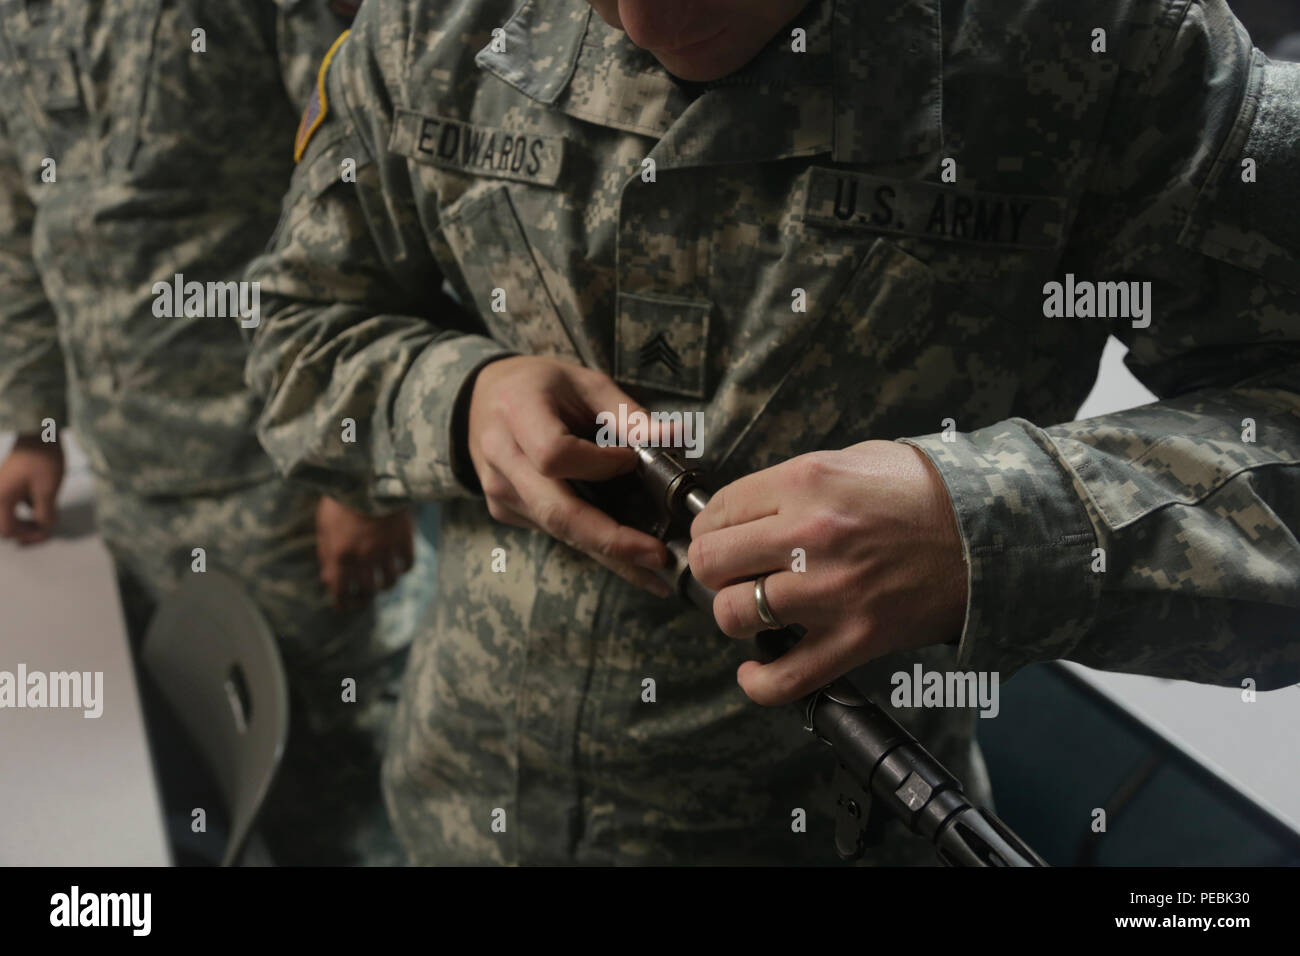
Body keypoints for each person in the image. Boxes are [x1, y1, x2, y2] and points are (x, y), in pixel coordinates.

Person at [245, 0, 1300, 865]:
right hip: (466, 809)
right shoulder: (430, 23)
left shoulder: (1103, 46)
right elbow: (296, 328)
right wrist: (458, 399)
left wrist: (991, 526)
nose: (643, 17)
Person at [0, 0, 431, 865]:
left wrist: (360, 469)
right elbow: (25, 223)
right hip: (123, 490)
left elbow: (372, 188)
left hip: (280, 485)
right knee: (197, 783)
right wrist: (36, 426)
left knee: (348, 788)